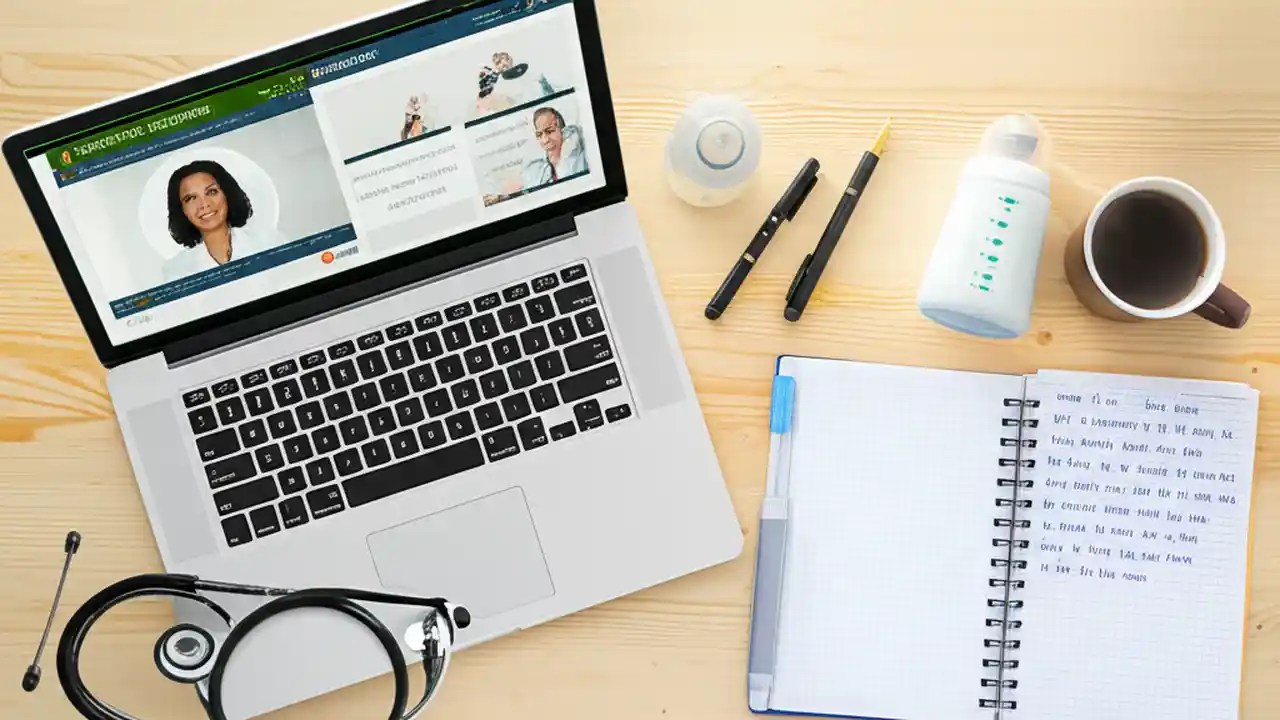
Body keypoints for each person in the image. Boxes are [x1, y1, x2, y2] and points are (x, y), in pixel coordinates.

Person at [162, 160, 280, 281]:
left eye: (211, 192)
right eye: (191, 198)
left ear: (227, 195)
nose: (204, 204)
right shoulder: (176, 271)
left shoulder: (268, 241)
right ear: (181, 210)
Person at [521, 107, 587, 188]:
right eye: (539, 135)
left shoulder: (583, 157)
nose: (545, 140)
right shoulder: (537, 171)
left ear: (564, 132)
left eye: (550, 131)